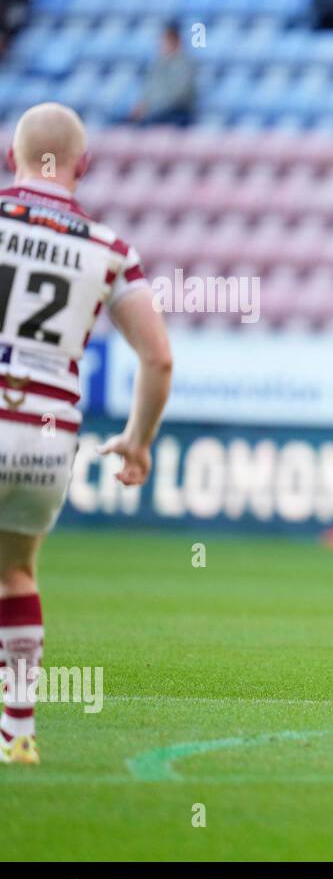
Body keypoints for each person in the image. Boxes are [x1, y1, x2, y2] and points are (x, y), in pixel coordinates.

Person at [0, 103, 172, 765]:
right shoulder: (109, 250)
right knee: (15, 572)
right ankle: (17, 731)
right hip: (46, 434)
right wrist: (137, 440)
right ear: (85, 165)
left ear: (13, 159)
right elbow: (158, 357)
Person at [129, 22, 197, 126]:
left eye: (166, 42)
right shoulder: (158, 63)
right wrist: (143, 105)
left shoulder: (184, 64)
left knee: (147, 124)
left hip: (175, 113)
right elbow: (149, 89)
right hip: (157, 111)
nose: (162, 45)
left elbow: (179, 96)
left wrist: (152, 105)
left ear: (176, 42)